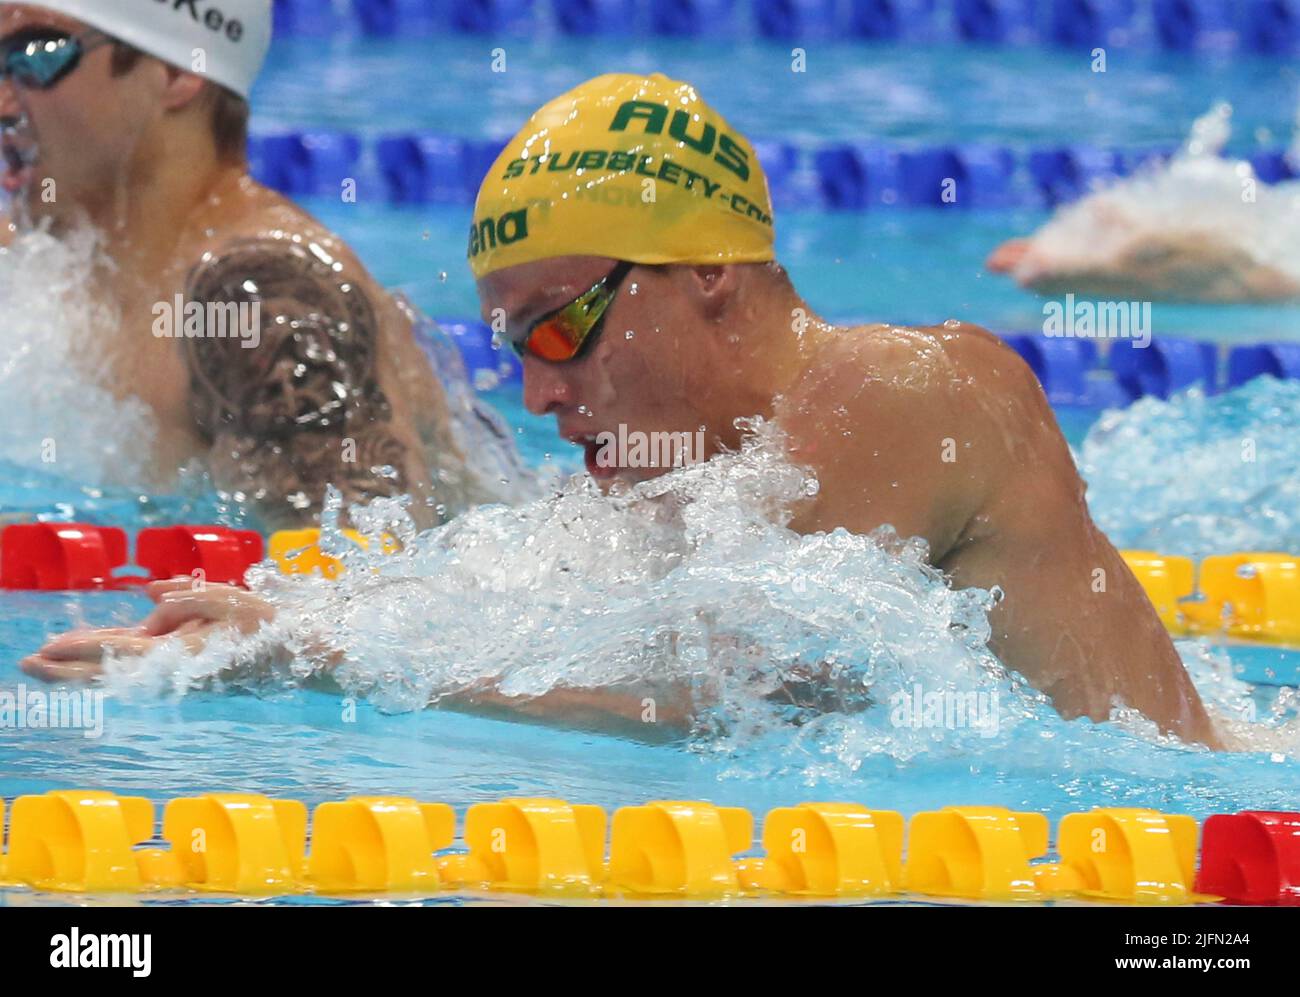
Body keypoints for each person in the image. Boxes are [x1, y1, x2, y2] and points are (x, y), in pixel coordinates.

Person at [22, 73, 1220, 747]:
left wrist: (319, 660)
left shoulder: (914, 387)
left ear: (702, 271)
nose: (541, 395)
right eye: (513, 350)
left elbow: (729, 695)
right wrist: (286, 614)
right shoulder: (682, 477)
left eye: (558, 328)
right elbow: (526, 621)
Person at [0, 0, 511, 529]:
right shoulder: (56, 257)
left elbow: (366, 577)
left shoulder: (264, 296)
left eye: (34, 55)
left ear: (177, 70)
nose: (2, 102)